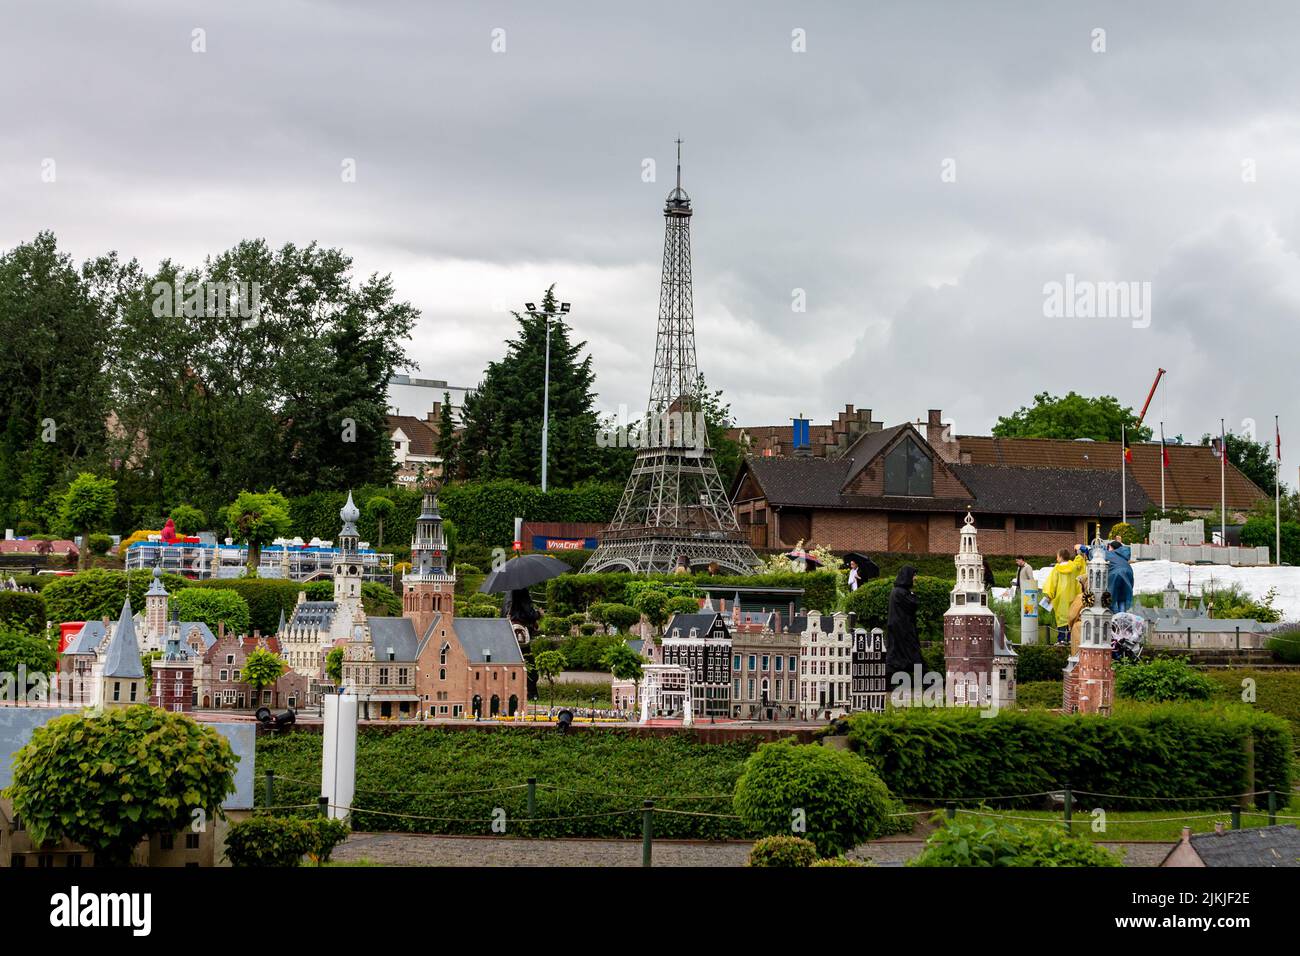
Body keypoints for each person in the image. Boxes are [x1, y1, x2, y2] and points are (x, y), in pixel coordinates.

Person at [885, 566, 922, 697]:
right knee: (910, 655)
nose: (915, 578)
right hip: (902, 631)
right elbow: (913, 604)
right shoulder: (901, 592)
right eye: (913, 575)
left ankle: (895, 682)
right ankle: (921, 682)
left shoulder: (899, 591)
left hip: (900, 629)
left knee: (898, 656)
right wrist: (914, 596)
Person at [1041, 546, 1087, 646]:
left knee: (1061, 618)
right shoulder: (1074, 567)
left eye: (1057, 556)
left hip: (1060, 597)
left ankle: (1061, 639)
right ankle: (1071, 639)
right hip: (1073, 596)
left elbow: (1053, 583)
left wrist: (1049, 595)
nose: (1056, 559)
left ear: (1061, 557)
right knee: (1072, 616)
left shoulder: (1057, 569)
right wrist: (1079, 555)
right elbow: (1081, 571)